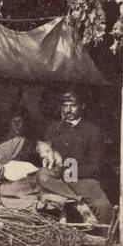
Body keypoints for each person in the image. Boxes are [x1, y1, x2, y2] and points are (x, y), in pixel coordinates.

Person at [34, 89, 113, 225]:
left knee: (104, 208)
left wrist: (70, 172)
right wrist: (44, 156)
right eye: (65, 105)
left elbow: (95, 166)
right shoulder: (53, 128)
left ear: (82, 106)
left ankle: (102, 240)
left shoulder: (92, 131)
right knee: (42, 175)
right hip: (56, 179)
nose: (68, 110)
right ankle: (80, 204)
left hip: (81, 180)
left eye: (73, 105)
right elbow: (45, 153)